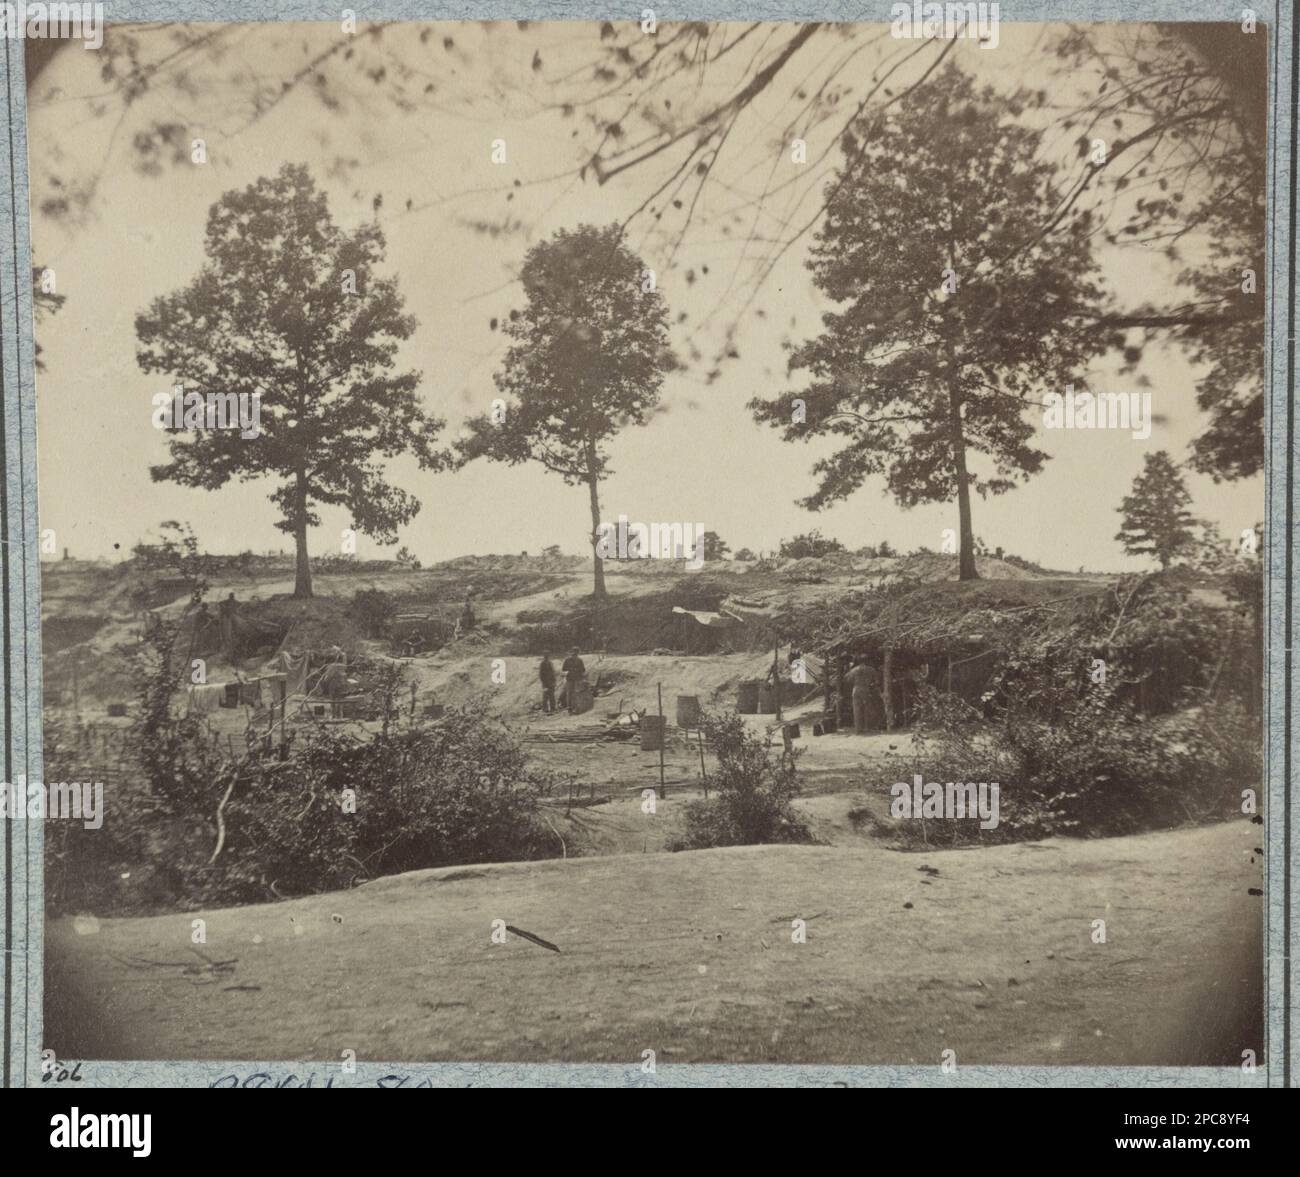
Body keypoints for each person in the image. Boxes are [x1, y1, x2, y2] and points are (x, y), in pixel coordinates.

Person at [845, 655, 878, 735]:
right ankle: (867, 727)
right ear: (867, 661)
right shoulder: (871, 669)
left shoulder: (854, 670)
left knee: (857, 709)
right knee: (867, 708)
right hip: (866, 689)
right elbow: (876, 681)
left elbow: (847, 679)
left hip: (856, 689)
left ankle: (858, 729)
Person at [561, 646, 586, 712]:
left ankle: (570, 707)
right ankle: (575, 707)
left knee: (570, 693)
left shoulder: (568, 659)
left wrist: (571, 669)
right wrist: (576, 670)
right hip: (576, 678)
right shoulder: (579, 660)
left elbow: (564, 669)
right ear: (578, 652)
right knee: (576, 693)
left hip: (571, 678)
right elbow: (583, 670)